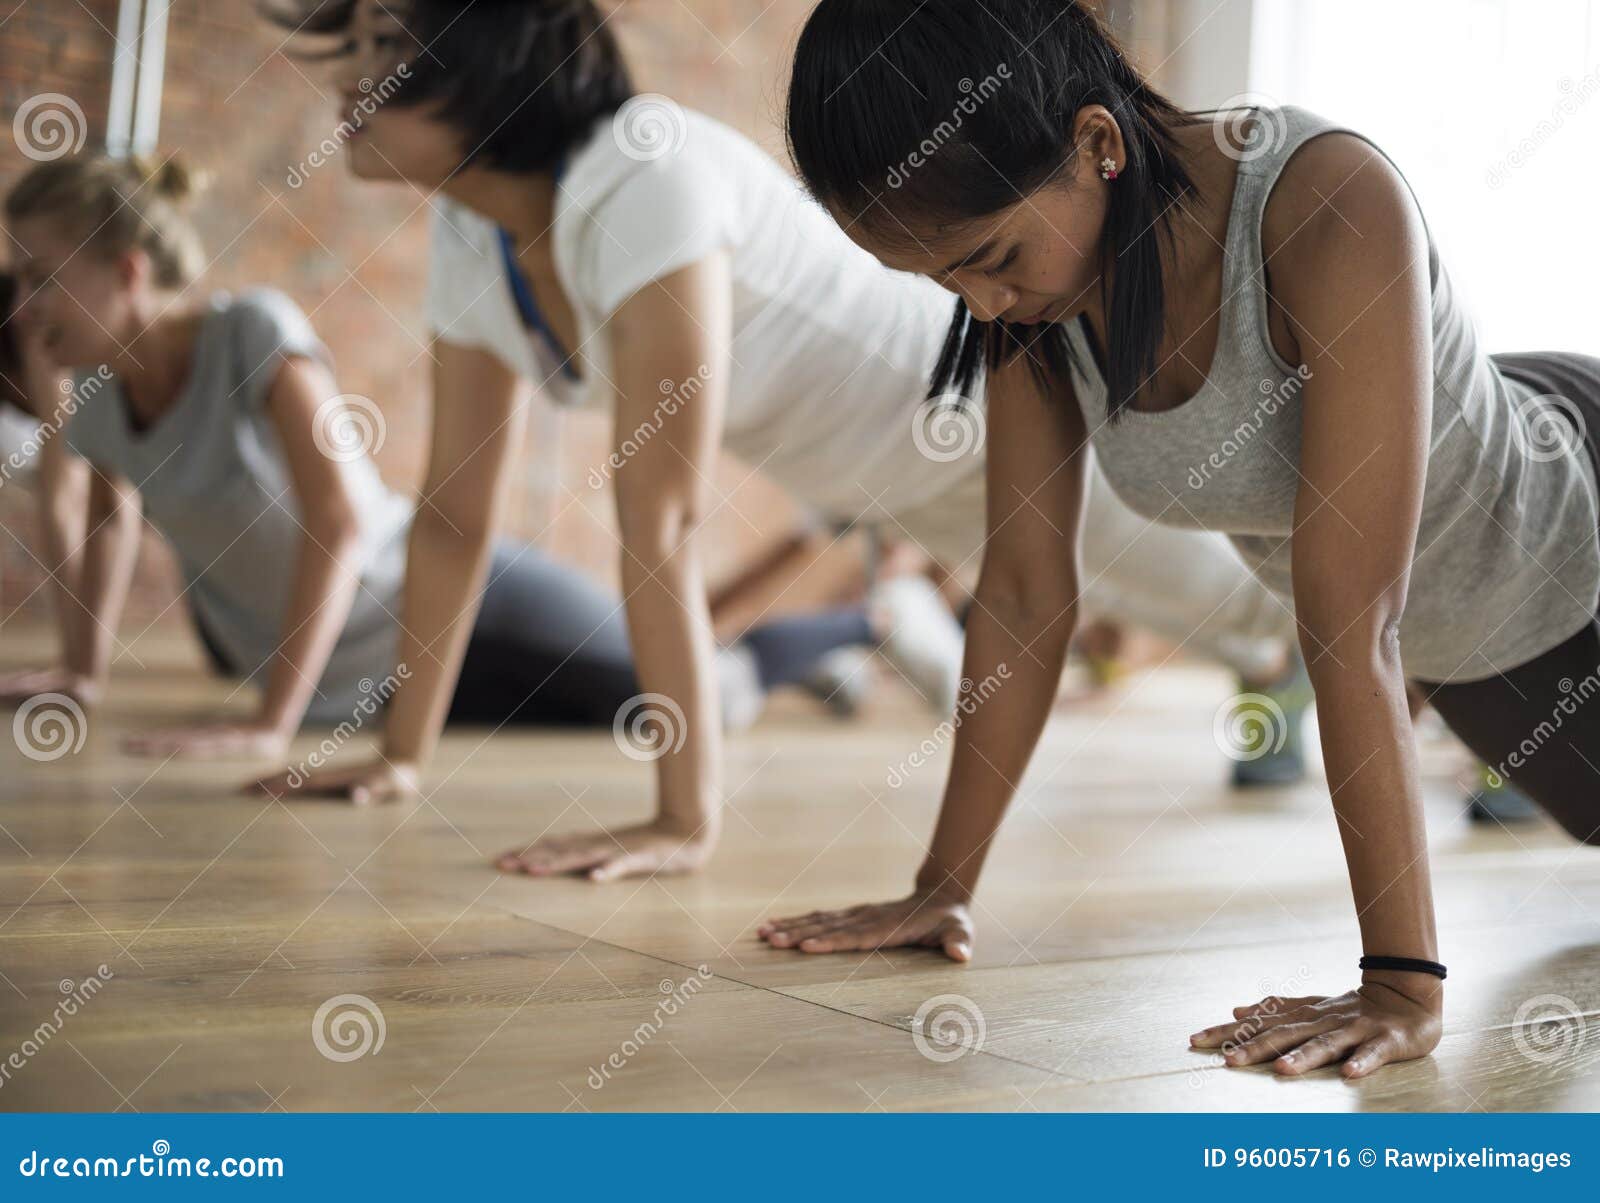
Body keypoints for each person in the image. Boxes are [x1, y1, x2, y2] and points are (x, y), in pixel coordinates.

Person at [258, 0, 1311, 879]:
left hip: (986, 407)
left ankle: (1419, 697)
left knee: (1262, 597)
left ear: (485, 73)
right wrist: (401, 755)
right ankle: (1304, 676)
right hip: (880, 479)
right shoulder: (467, 232)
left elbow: (657, 516)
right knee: (1178, 605)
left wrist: (681, 819)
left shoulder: (642, 167)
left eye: (381, 61)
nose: (347, 91)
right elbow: (450, 520)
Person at [762, 0, 1600, 1078]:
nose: (979, 299)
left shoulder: (1323, 199)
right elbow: (1020, 596)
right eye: (940, 280)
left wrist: (1401, 981)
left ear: (1096, 144)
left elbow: (1349, 617)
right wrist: (943, 885)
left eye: (990, 254)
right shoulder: (1037, 306)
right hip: (1480, 639)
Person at [0, 156, 935, 763]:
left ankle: (863, 622)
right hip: (361, 683)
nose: (23, 304)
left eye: (42, 273)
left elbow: (337, 518)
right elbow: (97, 514)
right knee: (633, 699)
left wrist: (269, 722)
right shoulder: (92, 399)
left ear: (126, 269)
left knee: (694, 699)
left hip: (445, 593)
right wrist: (81, 672)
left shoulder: (252, 332)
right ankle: (822, 647)